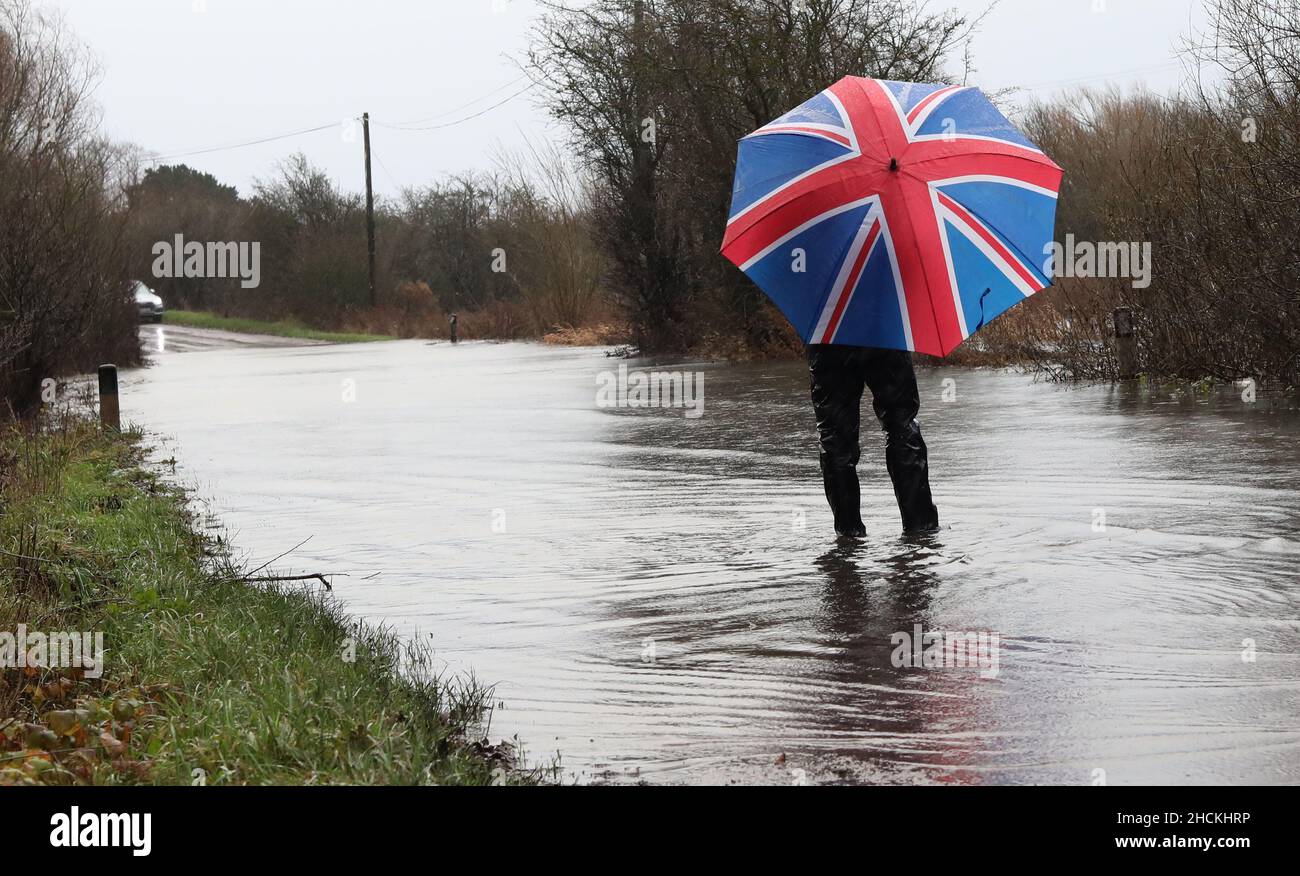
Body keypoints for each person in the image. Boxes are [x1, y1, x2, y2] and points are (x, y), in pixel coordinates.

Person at [807, 344, 939, 537]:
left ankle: (848, 536)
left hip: (829, 334)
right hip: (883, 331)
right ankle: (921, 528)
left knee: (834, 437)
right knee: (901, 426)